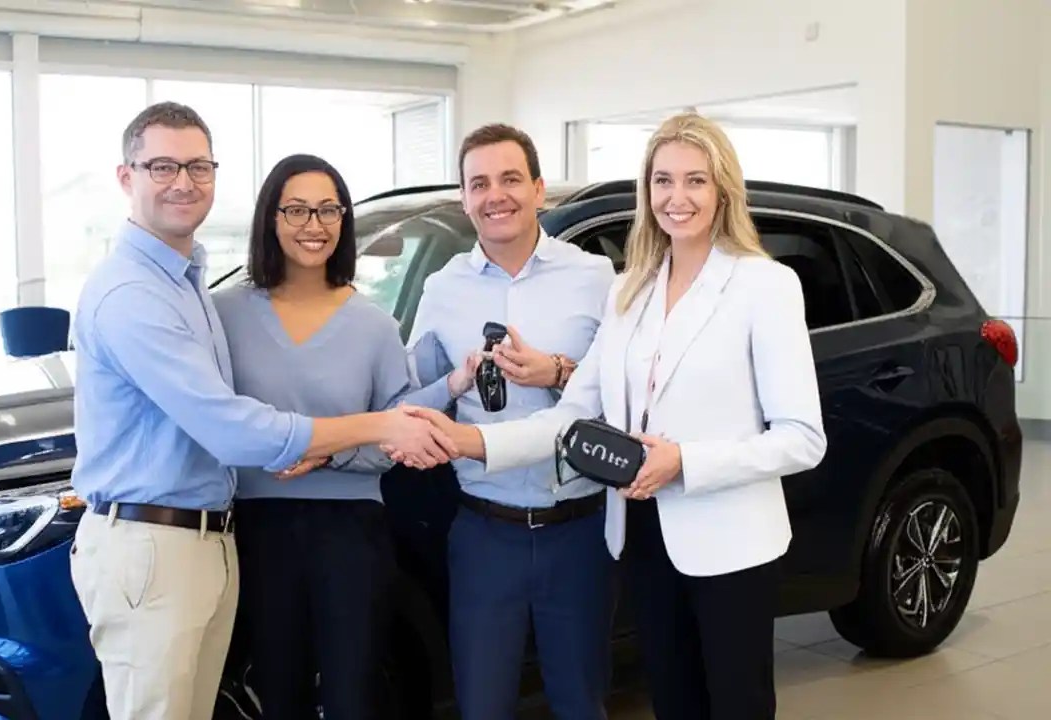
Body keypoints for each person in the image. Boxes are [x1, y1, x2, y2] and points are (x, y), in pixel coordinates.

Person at [398, 112, 828, 720]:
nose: (677, 197)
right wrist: (470, 441)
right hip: (643, 536)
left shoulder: (765, 284)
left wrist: (685, 462)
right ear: (646, 191)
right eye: (662, 181)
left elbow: (803, 439)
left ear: (723, 189)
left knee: (738, 705)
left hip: (730, 542)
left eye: (696, 181)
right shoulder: (632, 290)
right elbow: (572, 418)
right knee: (673, 704)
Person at [67, 102, 456, 720]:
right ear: (126, 177)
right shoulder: (146, 293)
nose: (183, 182)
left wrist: (446, 388)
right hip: (177, 541)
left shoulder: (188, 285)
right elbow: (229, 426)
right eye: (163, 166)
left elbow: (398, 421)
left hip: (227, 539)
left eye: (198, 167)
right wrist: (366, 428)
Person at [211, 153, 480, 719]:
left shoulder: (373, 325)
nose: (314, 225)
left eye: (328, 210)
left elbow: (394, 431)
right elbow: (212, 418)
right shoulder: (224, 314)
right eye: (297, 210)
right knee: (277, 695)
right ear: (270, 218)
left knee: (353, 696)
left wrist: (329, 455)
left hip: (352, 534)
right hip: (258, 531)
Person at [404, 123, 618, 720]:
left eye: (510, 179)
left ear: (538, 190)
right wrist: (453, 385)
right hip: (484, 534)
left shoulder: (595, 278)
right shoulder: (442, 288)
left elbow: (626, 398)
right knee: (482, 705)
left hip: (579, 530)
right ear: (464, 198)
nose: (495, 195)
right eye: (479, 184)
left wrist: (558, 371)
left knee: (582, 703)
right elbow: (413, 395)